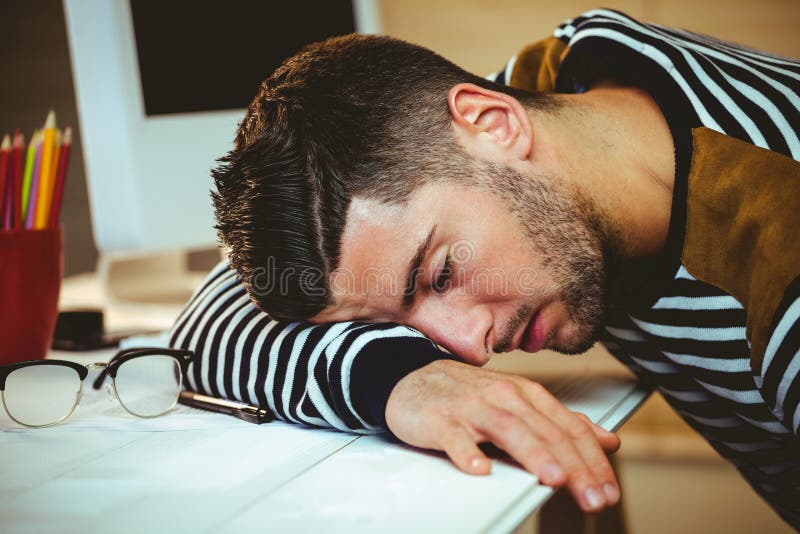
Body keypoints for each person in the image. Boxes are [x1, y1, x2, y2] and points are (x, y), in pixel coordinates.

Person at [169, 8, 800, 527]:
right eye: (410, 321)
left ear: (497, 126)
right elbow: (210, 319)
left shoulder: (783, 276)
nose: (467, 350)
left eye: (439, 275)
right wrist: (399, 379)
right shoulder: (549, 87)